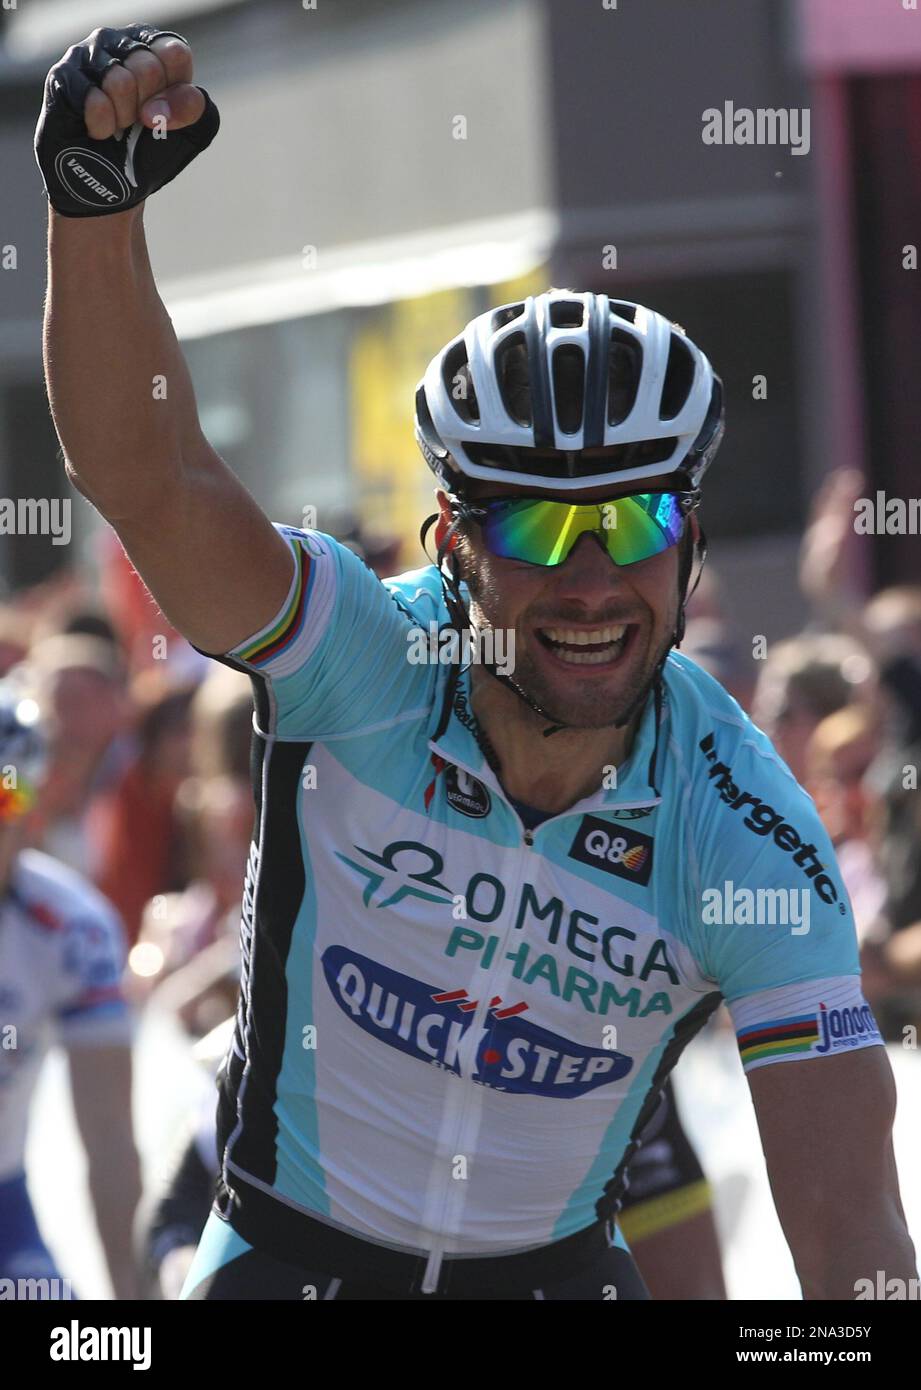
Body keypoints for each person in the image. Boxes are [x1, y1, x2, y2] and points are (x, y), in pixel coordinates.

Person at [35, 25, 916, 1300]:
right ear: (451, 543)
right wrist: (92, 213)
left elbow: (856, 1248)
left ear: (695, 539)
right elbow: (150, 479)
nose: (594, 580)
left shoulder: (745, 830)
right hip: (287, 1266)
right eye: (539, 528)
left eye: (636, 522)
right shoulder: (361, 653)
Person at [0, 680, 141, 1299]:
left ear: (33, 799)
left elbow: (108, 1138)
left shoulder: (72, 929)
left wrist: (134, 1304)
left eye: (5, 794)